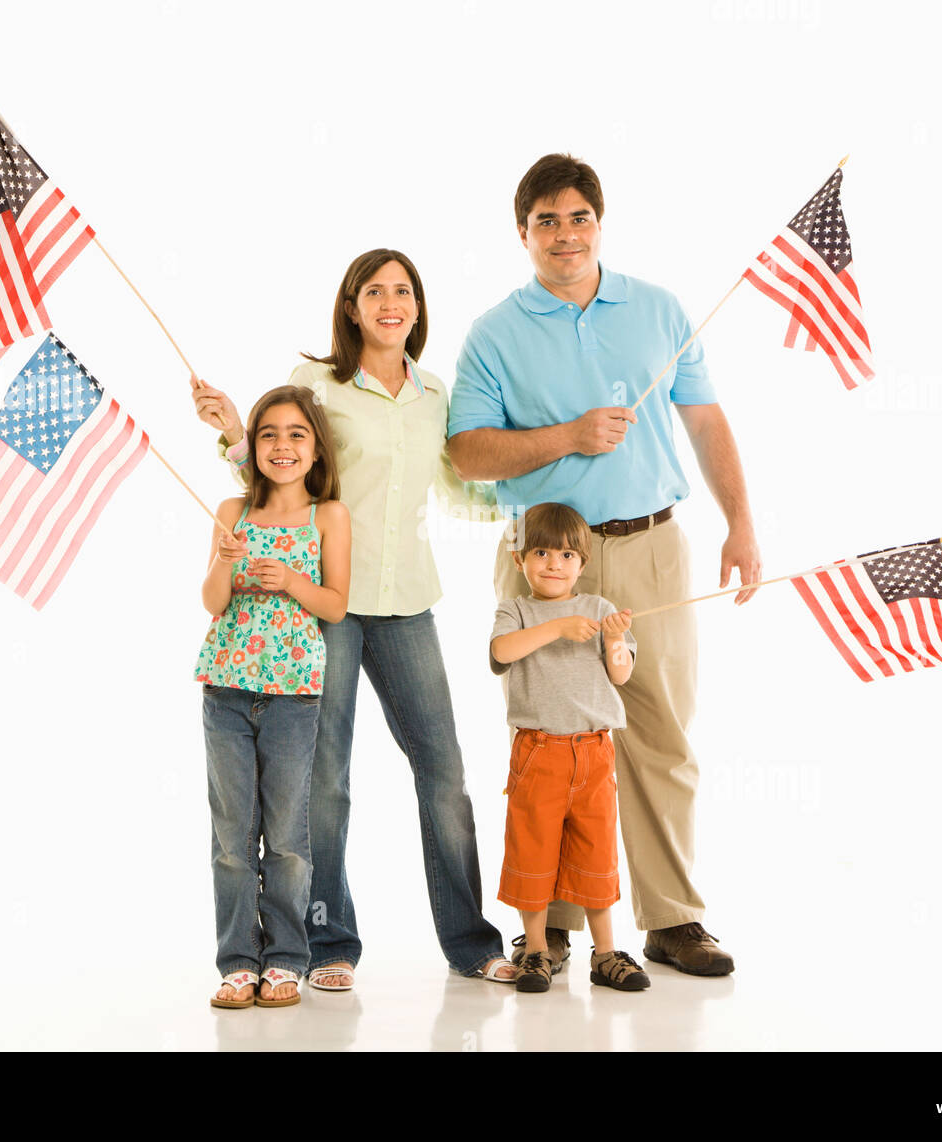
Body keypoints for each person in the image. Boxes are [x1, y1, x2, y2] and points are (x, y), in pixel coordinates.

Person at [449, 154, 762, 977]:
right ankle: (544, 931)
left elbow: (704, 420)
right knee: (550, 738)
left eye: (578, 216)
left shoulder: (658, 309)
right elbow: (468, 451)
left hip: (653, 547)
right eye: (546, 220)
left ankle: (671, 921)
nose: (564, 233)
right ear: (523, 233)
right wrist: (569, 436)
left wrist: (742, 524)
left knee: (660, 730)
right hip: (546, 561)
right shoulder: (494, 332)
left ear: (599, 222)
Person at [192, 249, 515, 988]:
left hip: (407, 603)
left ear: (418, 307)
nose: (390, 303)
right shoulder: (318, 385)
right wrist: (233, 432)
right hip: (324, 604)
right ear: (351, 306)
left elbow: (457, 485)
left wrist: (530, 515)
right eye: (375, 291)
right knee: (325, 783)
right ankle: (329, 944)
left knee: (444, 772)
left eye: (403, 291)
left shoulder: (436, 392)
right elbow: (279, 471)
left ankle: (471, 943)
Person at [197, 384, 351, 1010]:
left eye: (295, 435)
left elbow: (336, 606)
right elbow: (211, 602)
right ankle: (238, 962)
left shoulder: (328, 516)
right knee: (234, 836)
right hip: (227, 690)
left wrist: (289, 581)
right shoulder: (232, 511)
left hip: (293, 696)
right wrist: (226, 567)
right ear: (251, 447)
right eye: (268, 435)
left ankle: (286, 959)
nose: (281, 446)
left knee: (287, 837)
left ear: (315, 449)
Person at [490, 503, 650, 994]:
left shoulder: (599, 610)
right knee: (533, 851)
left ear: (582, 563)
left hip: (595, 753)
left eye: (565, 554)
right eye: (541, 552)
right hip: (540, 754)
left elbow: (620, 674)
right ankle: (536, 951)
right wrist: (557, 627)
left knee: (596, 854)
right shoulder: (517, 610)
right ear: (521, 561)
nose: (553, 564)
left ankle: (605, 953)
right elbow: (501, 652)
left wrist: (617, 641)